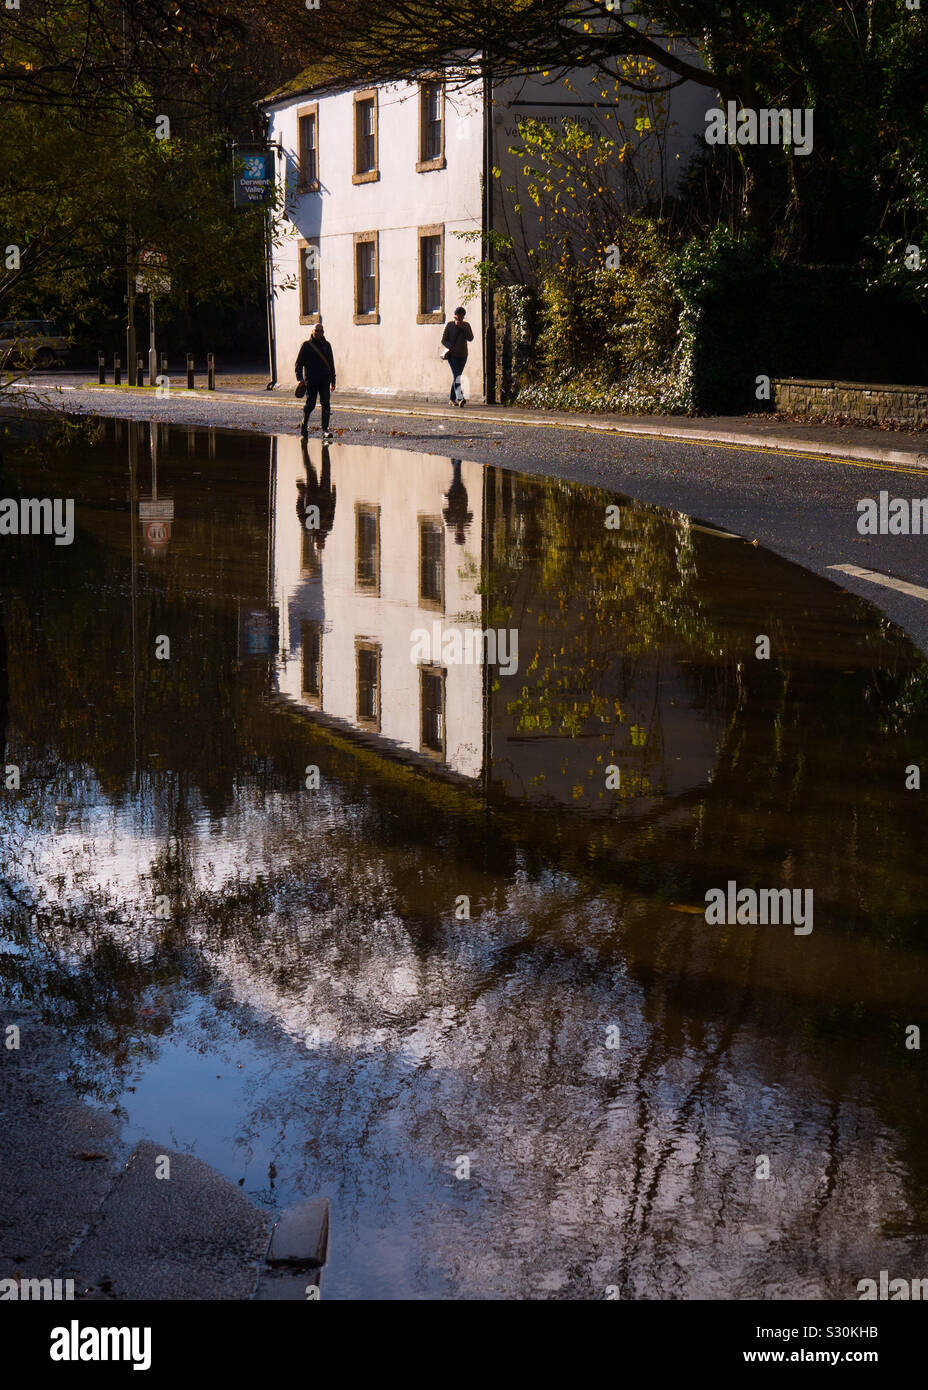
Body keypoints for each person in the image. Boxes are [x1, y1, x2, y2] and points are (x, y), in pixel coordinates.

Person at [296, 323, 336, 439]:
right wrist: (300, 379)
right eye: (317, 331)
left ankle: (325, 430)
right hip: (311, 381)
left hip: (324, 380)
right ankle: (304, 426)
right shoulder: (306, 346)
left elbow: (331, 364)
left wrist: (333, 381)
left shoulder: (327, 346)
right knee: (310, 404)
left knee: (326, 404)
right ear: (312, 332)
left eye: (321, 331)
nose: (319, 333)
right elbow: (299, 364)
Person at [440, 307, 473, 407]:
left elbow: (470, 338)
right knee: (457, 376)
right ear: (455, 316)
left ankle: (451, 398)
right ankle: (460, 398)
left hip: (463, 355)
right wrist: (450, 347)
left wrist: (463, 327)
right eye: (458, 316)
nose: (460, 318)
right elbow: (443, 340)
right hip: (452, 356)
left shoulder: (466, 325)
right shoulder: (450, 325)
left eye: (462, 316)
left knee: (456, 377)